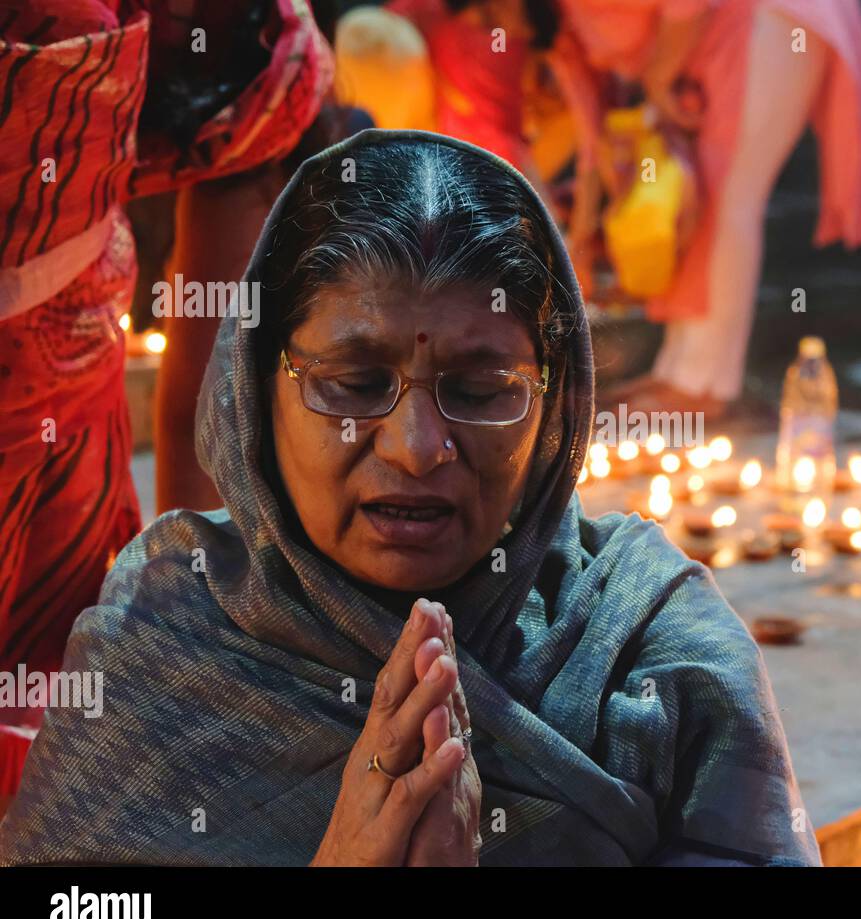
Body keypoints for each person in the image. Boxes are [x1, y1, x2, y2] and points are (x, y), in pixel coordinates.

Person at [0, 130, 819, 866]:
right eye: (353, 384)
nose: (419, 446)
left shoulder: (656, 655)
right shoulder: (161, 649)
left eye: (483, 388)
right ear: (255, 390)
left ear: (557, 403)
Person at [0, 0, 331, 815]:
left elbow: (208, 397)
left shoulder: (229, 37)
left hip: (63, 439)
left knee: (59, 740)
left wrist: (193, 622)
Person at [573, 0, 861, 418]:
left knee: (732, 193)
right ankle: (679, 371)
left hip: (772, 17)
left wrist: (660, 75)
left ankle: (703, 386)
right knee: (710, 194)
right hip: (726, 28)